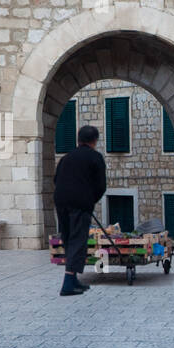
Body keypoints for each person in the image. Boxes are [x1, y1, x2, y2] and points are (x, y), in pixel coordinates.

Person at [53, 124, 107, 296]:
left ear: (79, 140)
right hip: (80, 204)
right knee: (78, 239)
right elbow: (100, 186)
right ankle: (68, 283)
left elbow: (56, 179)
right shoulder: (95, 157)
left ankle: (74, 279)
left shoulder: (66, 158)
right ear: (94, 141)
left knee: (68, 238)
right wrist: (89, 201)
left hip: (61, 202)